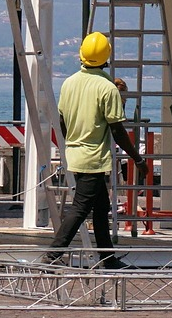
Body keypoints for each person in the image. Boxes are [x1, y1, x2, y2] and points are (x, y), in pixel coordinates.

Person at [49, 31, 144, 268]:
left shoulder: (68, 83)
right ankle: (52, 255)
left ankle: (108, 259)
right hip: (93, 157)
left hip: (74, 152)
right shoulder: (107, 88)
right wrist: (137, 159)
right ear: (106, 58)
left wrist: (73, 139)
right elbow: (118, 131)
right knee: (80, 208)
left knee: (101, 208)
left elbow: (62, 122)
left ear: (81, 55)